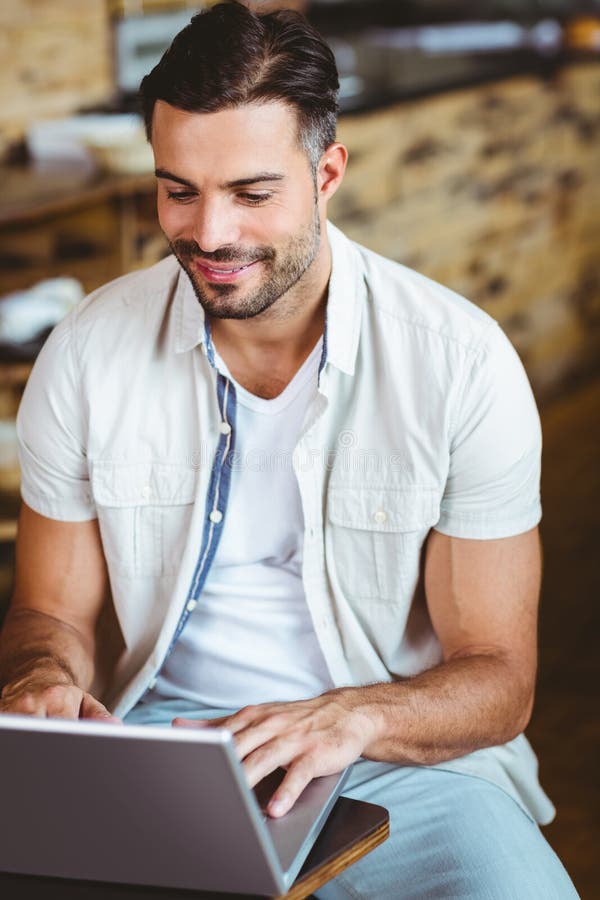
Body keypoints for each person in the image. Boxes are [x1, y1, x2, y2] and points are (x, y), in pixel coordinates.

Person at [0, 3, 578, 897]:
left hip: (392, 752)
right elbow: (52, 614)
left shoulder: (460, 364)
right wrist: (41, 676)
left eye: (253, 193)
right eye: (178, 189)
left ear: (328, 172)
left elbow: (499, 679)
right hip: (158, 747)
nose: (210, 234)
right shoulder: (84, 353)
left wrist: (343, 719)